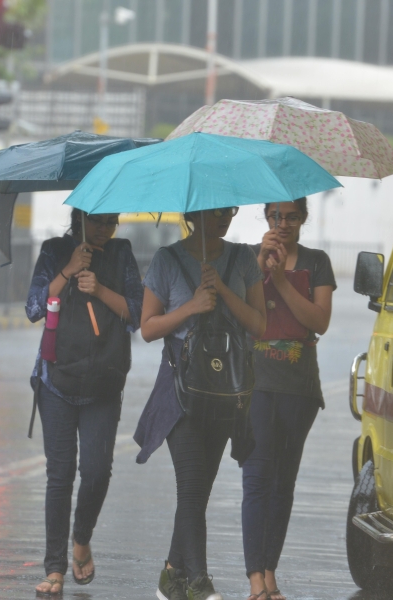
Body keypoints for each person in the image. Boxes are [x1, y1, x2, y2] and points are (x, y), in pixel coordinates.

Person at [135, 208, 266, 600]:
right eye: (215, 210)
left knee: (198, 492)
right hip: (181, 394)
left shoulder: (242, 258)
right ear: (193, 213)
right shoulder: (168, 260)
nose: (225, 216)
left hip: (226, 393)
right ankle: (200, 584)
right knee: (191, 488)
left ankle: (172, 575)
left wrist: (223, 290)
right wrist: (191, 307)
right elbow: (146, 328)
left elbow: (260, 325)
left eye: (230, 209)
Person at [25, 209, 143, 596]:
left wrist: (99, 289)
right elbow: (34, 309)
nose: (106, 230)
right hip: (56, 381)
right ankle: (55, 566)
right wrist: (68, 270)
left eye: (112, 222)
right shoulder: (54, 250)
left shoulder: (121, 253)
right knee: (60, 475)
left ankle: (82, 537)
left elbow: (137, 315)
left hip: (104, 384)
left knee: (96, 472)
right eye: (98, 221)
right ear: (79, 218)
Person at [241, 199, 336, 600]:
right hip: (255, 384)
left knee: (283, 482)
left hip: (298, 387)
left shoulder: (317, 261)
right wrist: (261, 266)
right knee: (257, 478)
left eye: (291, 217)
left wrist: (280, 280)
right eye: (275, 217)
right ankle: (254, 579)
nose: (282, 224)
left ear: (303, 219)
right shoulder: (248, 258)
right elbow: (238, 312)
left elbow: (319, 321)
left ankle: (270, 570)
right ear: (265, 218)